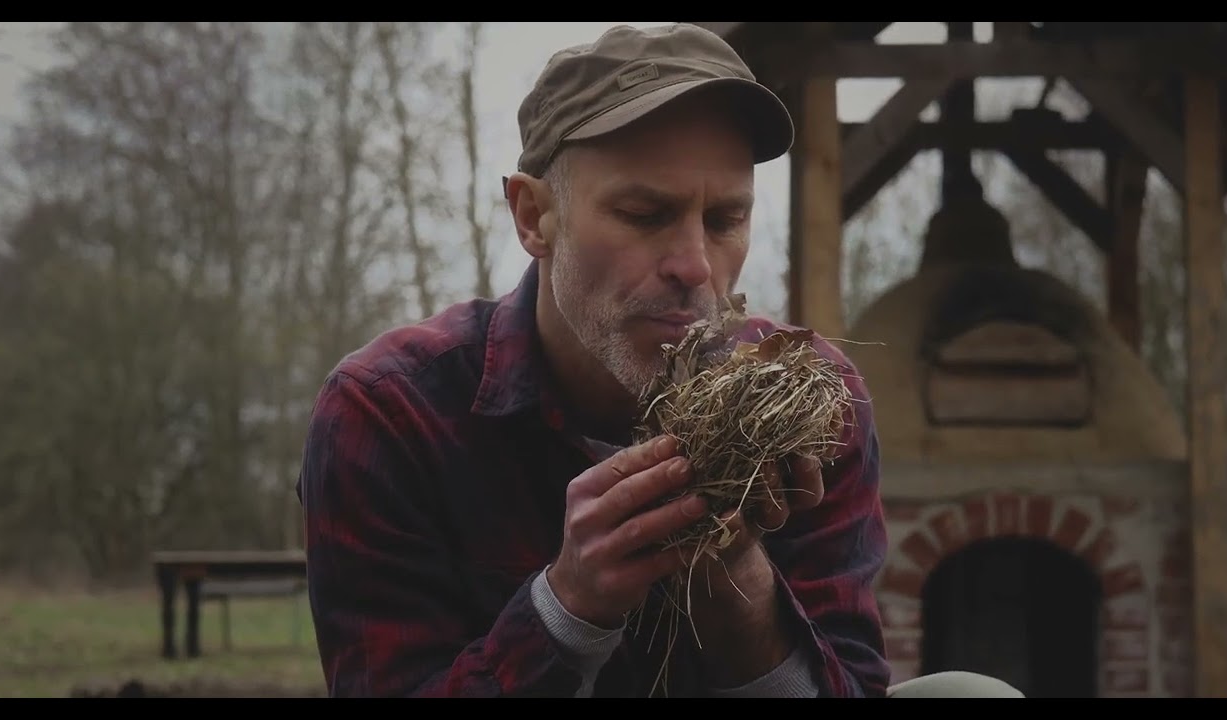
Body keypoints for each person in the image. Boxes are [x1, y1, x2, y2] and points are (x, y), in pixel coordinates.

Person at [296, 22, 1024, 699]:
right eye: (645, 215)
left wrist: (736, 579)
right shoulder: (390, 413)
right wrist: (569, 606)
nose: (695, 267)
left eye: (725, 219)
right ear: (533, 217)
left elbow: (849, 680)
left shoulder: (811, 404)